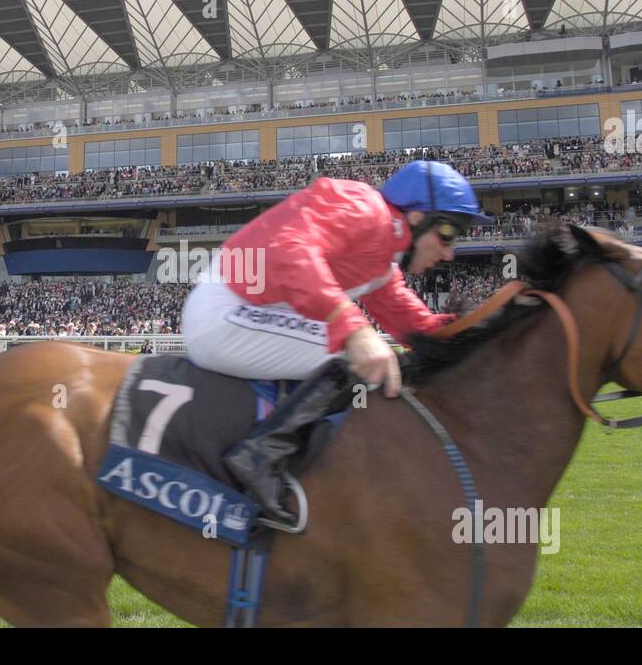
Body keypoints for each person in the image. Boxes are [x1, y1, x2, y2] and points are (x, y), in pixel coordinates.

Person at [180, 160, 492, 527]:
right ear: (418, 216)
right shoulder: (365, 209)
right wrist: (353, 328)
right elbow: (288, 249)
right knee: (361, 355)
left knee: (374, 355)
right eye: (449, 234)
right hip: (223, 312)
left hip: (246, 313)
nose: (449, 253)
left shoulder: (383, 261)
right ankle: (259, 458)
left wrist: (479, 328)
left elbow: (415, 324)